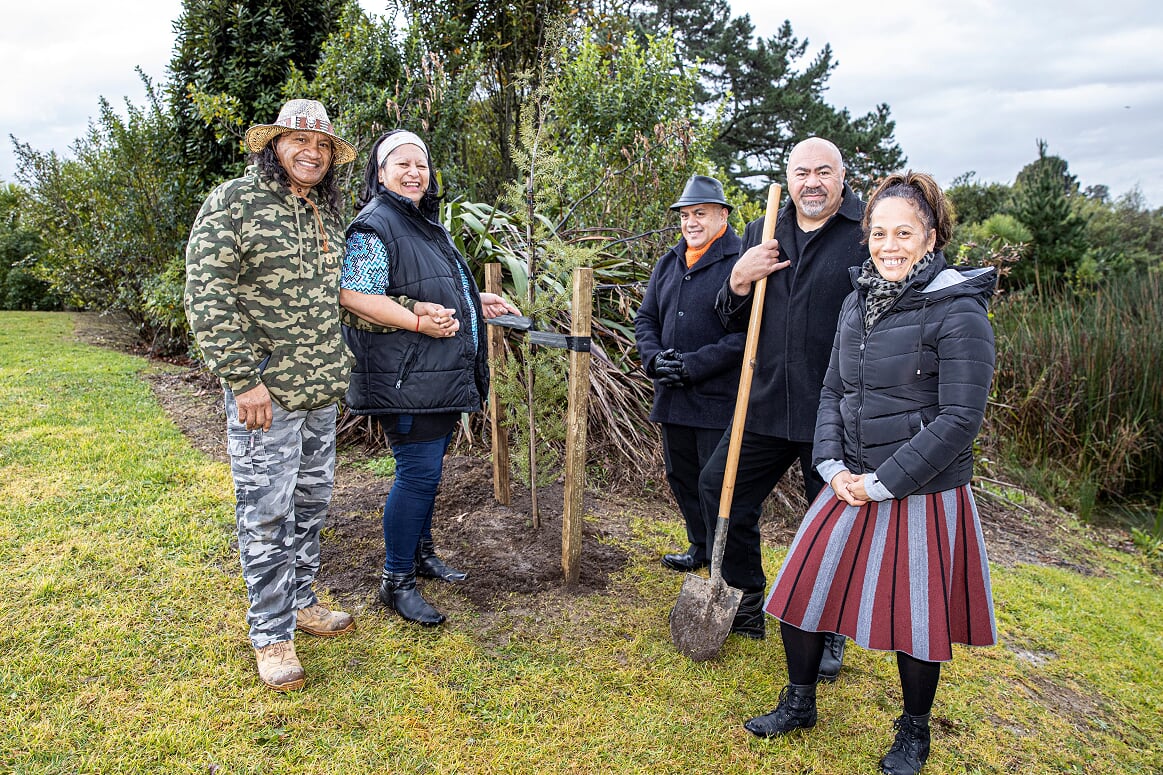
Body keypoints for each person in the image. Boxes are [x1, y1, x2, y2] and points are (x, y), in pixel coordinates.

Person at [743, 171, 998, 775]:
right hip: (847, 480)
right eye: (879, 232)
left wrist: (882, 482)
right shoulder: (858, 301)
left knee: (916, 619)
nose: (889, 245)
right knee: (802, 592)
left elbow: (960, 419)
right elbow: (833, 388)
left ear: (931, 238)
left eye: (904, 233)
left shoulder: (959, 313)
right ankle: (800, 702)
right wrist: (831, 466)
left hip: (920, 490)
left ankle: (914, 732)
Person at [184, 99, 358, 692]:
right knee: (266, 511)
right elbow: (207, 294)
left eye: (323, 145)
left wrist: (421, 312)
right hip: (266, 393)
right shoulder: (234, 201)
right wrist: (242, 378)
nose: (311, 152)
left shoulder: (327, 214)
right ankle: (270, 633)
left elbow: (341, 296)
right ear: (274, 145)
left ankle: (303, 601)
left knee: (310, 503)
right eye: (298, 141)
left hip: (319, 392)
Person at [339, 129, 519, 626]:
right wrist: (419, 320)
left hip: (430, 375)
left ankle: (420, 554)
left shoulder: (418, 222)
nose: (414, 172)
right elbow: (355, 297)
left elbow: (424, 285)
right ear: (380, 172)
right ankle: (396, 580)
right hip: (406, 377)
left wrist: (475, 302)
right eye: (401, 163)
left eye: (421, 163)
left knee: (428, 473)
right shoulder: (376, 225)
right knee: (417, 475)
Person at [699, 138, 862, 678]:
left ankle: (830, 627)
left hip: (834, 413)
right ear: (786, 178)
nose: (811, 182)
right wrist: (739, 278)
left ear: (842, 176)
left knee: (834, 522)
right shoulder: (763, 230)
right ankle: (746, 599)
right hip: (765, 402)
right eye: (800, 172)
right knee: (718, 485)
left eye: (823, 172)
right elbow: (728, 318)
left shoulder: (865, 235)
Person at [635, 175, 746, 573]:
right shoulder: (670, 261)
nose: (691, 222)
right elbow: (646, 318)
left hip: (717, 398)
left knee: (715, 484)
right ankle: (700, 547)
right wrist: (653, 359)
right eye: (685, 215)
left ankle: (726, 562)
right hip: (672, 397)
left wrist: (694, 364)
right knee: (681, 477)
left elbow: (747, 336)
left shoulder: (739, 260)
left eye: (700, 213)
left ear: (722, 215)